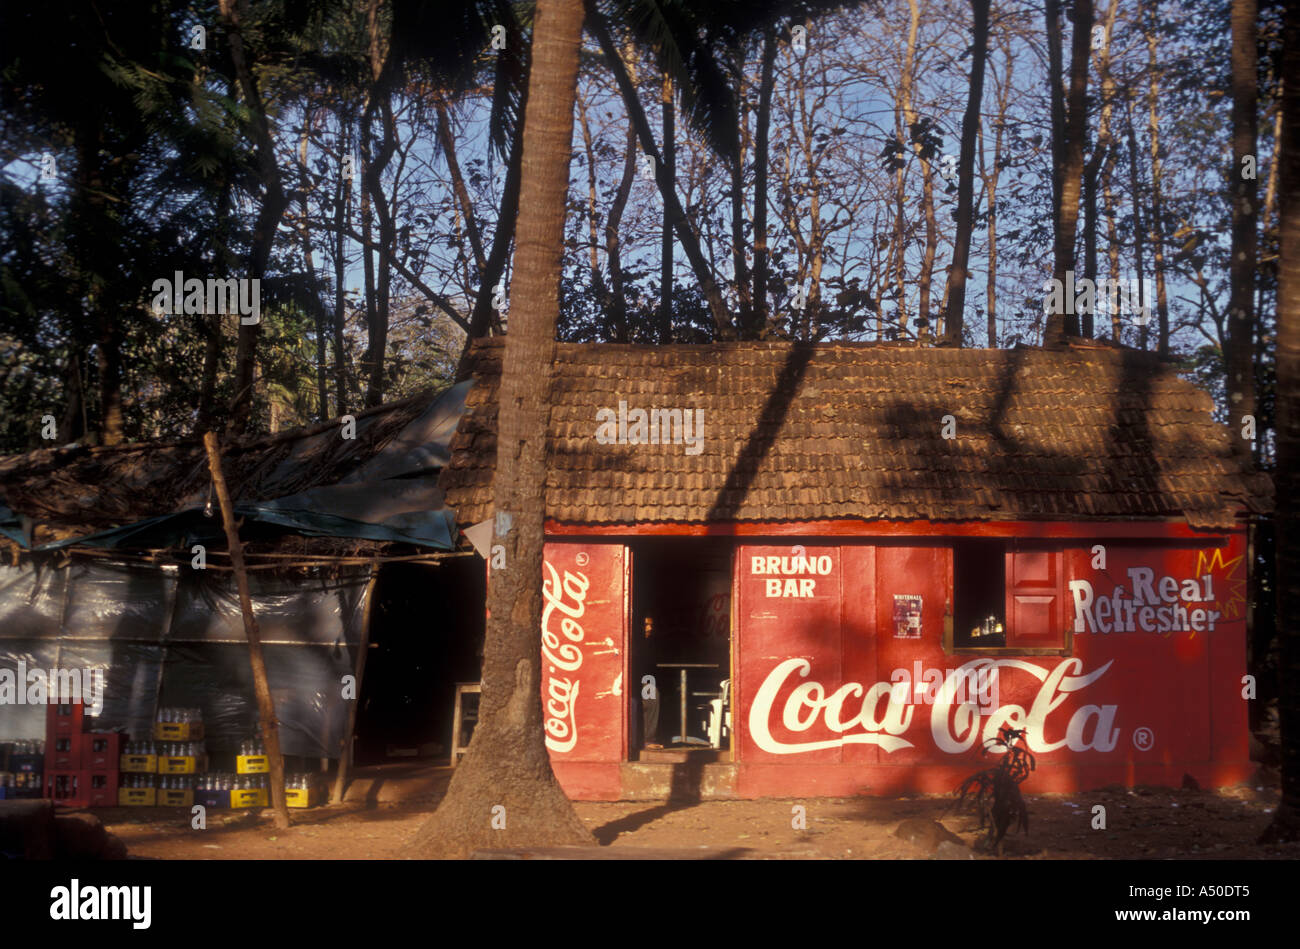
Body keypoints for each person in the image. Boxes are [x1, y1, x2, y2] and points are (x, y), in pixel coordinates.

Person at [641, 615, 661, 749]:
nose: (650, 628)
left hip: (643, 679)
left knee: (652, 694)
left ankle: (648, 739)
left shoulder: (651, 643)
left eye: (651, 625)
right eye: (646, 624)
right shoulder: (634, 641)